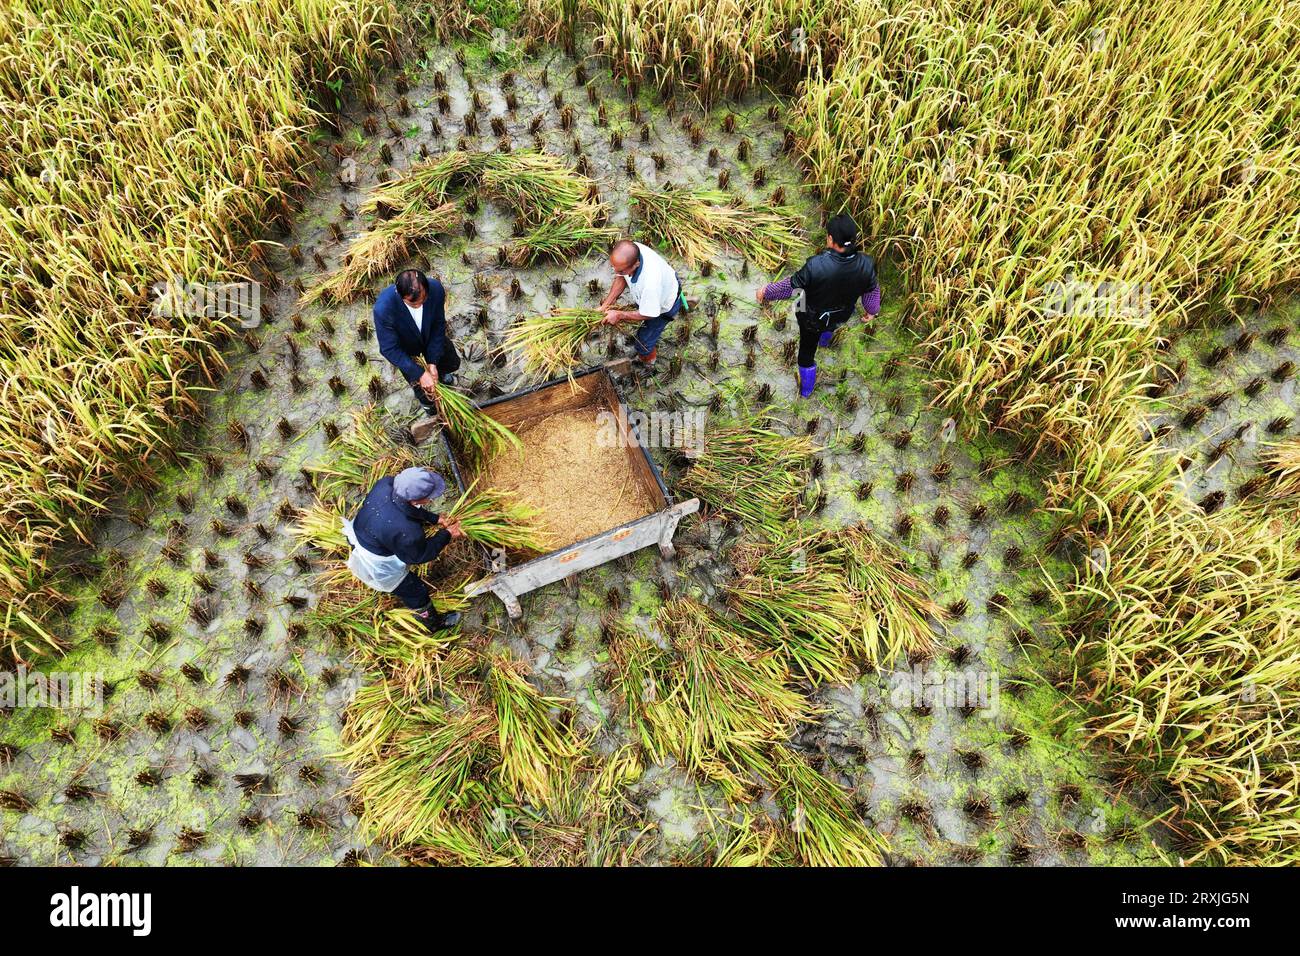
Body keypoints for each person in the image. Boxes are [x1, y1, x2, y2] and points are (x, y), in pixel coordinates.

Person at [755, 213, 880, 397]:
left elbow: (791, 286)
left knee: (806, 355)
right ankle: (825, 341)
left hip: (811, 319)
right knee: (831, 324)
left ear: (830, 239)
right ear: (854, 240)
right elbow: (872, 291)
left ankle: (806, 390)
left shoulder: (816, 266)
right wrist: (872, 311)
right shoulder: (867, 265)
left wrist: (767, 292)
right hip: (841, 314)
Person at [342, 466, 465, 632]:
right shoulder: (408, 531)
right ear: (417, 501)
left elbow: (405, 508)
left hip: (362, 531)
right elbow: (419, 555)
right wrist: (447, 534)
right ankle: (433, 623)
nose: (430, 501)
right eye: (428, 498)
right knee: (415, 591)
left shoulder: (386, 484)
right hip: (376, 560)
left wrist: (434, 519)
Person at [374, 269, 461, 414]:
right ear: (401, 296)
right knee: (422, 388)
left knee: (450, 361)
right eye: (413, 304)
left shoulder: (436, 289)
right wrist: (420, 373)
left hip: (429, 335)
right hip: (407, 348)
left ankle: (443, 374)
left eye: (423, 300)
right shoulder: (384, 309)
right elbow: (389, 348)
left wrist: (432, 362)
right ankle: (430, 408)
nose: (419, 305)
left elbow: (438, 323)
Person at [599, 238, 687, 368]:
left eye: (621, 271)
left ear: (636, 264)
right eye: (614, 268)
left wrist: (620, 315)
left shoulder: (650, 284)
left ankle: (648, 363)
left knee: (643, 342)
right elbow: (621, 277)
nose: (617, 273)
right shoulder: (631, 252)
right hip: (663, 286)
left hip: (664, 307)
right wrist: (606, 305)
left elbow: (650, 314)